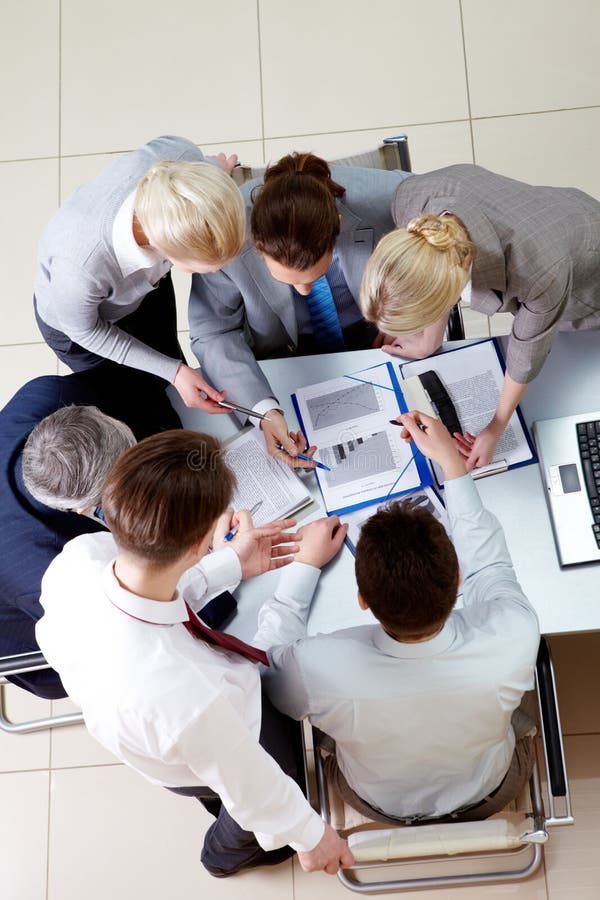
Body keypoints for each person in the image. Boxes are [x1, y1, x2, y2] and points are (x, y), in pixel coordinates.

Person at [36, 429, 353, 877]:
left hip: (152, 730)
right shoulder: (187, 699)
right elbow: (254, 786)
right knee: (260, 806)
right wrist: (313, 837)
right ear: (201, 541)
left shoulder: (77, 559)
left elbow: (150, 585)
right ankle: (222, 858)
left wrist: (229, 563)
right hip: (205, 745)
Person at [259, 411, 540, 823]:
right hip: (489, 789)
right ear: (458, 578)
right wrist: (453, 467)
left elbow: (265, 665)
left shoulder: (315, 667)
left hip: (377, 804)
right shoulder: (513, 632)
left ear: (361, 599)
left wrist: (304, 565)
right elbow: (493, 569)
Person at [360, 163, 600, 469]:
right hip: (543, 214)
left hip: (588, 273)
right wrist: (427, 340)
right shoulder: (412, 200)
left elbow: (525, 356)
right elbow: (435, 268)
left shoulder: (541, 271)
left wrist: (495, 428)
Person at [189, 152, 411, 465]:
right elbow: (212, 331)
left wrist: (407, 316)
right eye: (289, 281)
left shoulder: (391, 198)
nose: (304, 292)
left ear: (338, 226)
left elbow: (444, 239)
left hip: (376, 343)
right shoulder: (225, 234)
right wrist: (262, 411)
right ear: (256, 243)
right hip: (280, 362)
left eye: (315, 276)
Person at [0, 367, 181, 699]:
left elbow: (136, 393)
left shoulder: (50, 393)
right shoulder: (50, 575)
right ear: (85, 509)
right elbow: (140, 631)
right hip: (35, 643)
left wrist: (180, 453)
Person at [33, 134, 246, 413]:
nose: (218, 272)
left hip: (143, 291)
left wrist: (216, 185)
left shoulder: (181, 155)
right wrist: (172, 371)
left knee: (169, 359)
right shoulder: (81, 267)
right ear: (167, 248)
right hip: (80, 327)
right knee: (131, 396)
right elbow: (86, 331)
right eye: (202, 268)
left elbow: (198, 186)